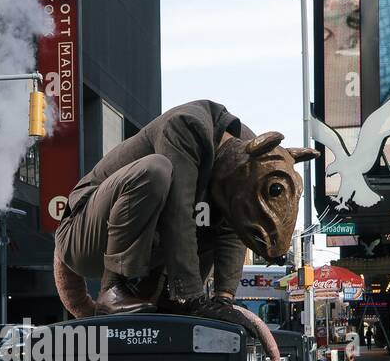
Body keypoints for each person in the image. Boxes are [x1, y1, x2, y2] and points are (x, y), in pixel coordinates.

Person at [53, 99, 318, 321]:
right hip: (83, 236)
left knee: (211, 213)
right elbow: (177, 214)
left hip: (145, 251)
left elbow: (231, 230)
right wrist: (194, 298)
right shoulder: (185, 126)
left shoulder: (243, 153)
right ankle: (113, 288)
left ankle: (169, 299)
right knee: (156, 172)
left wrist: (223, 300)